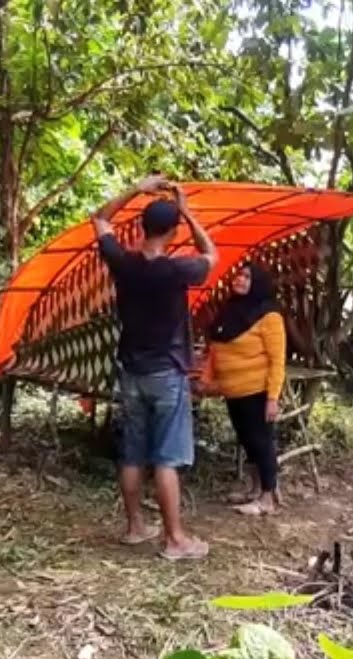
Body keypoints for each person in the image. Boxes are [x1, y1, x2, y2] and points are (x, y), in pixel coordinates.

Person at [93, 175, 217, 561]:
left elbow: (99, 218)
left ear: (143, 226)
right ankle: (175, 540)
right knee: (166, 458)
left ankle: (135, 527)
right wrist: (188, 210)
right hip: (167, 373)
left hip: (131, 371)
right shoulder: (178, 271)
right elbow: (211, 254)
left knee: (132, 452)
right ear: (173, 229)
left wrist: (135, 188)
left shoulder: (123, 263)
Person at [198, 263, 287, 516]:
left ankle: (268, 498)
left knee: (262, 443)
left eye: (247, 277)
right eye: (238, 274)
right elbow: (215, 350)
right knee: (248, 442)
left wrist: (272, 398)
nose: (239, 279)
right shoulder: (230, 310)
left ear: (257, 283)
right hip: (233, 392)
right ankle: (255, 490)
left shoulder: (269, 316)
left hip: (257, 392)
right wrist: (206, 378)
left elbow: (277, 360)